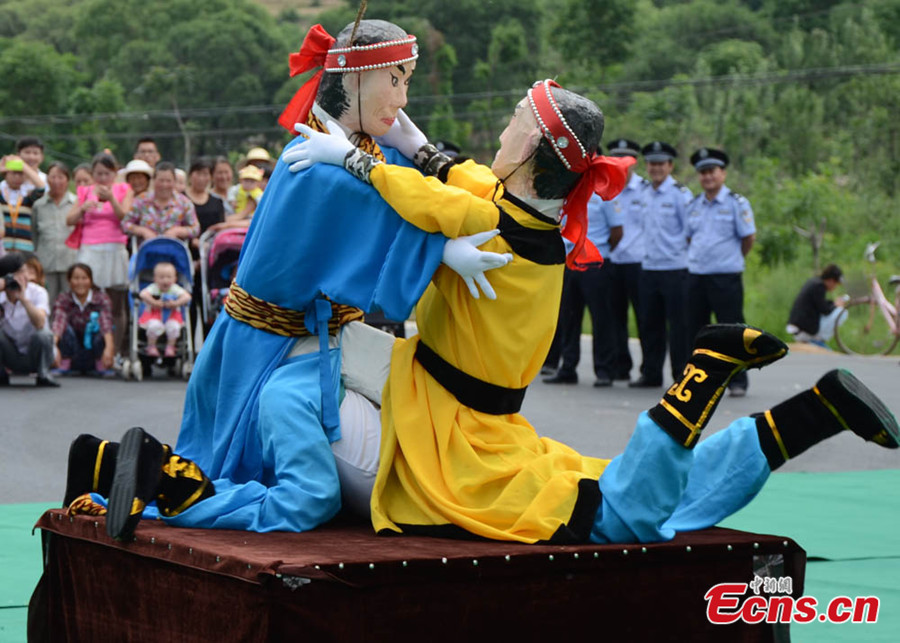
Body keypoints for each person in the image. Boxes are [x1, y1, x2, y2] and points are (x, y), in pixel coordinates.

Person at [289, 85, 900, 546]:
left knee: (618, 516)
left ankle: (695, 385)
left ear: (529, 147)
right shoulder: (528, 219)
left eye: (511, 125)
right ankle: (807, 416)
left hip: (455, 436)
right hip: (472, 417)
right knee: (672, 502)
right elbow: (467, 182)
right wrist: (415, 147)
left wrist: (353, 160)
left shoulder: (495, 233)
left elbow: (437, 202)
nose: (501, 134)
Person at [64, 19, 509, 540]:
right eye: (396, 78)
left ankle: (124, 467)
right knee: (283, 489)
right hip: (271, 349)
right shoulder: (313, 159)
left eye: (407, 80)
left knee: (265, 469)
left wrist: (420, 152)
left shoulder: (361, 148)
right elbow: (370, 211)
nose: (403, 97)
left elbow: (410, 196)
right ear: (357, 78)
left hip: (312, 344)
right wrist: (437, 249)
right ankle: (159, 481)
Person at [686, 147, 756, 397]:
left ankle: (737, 382)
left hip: (726, 278)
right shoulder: (693, 204)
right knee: (697, 332)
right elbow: (689, 238)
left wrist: (731, 260)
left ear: (723, 173)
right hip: (696, 276)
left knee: (732, 332)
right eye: (702, 172)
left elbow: (748, 239)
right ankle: (699, 383)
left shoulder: (737, 203)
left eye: (712, 171)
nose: (707, 177)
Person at [543, 172, 623, 387]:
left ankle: (604, 370)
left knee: (601, 319)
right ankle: (568, 367)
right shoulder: (568, 193)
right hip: (570, 263)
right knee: (569, 318)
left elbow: (616, 232)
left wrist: (598, 251)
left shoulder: (604, 195)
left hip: (595, 265)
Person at [629, 141, 692, 388]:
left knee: (679, 326)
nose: (655, 169)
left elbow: (690, 231)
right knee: (649, 324)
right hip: (648, 269)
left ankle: (681, 376)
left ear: (670, 166)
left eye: (660, 164)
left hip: (675, 269)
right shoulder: (643, 192)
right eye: (652, 164)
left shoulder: (680, 194)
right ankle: (651, 373)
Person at [66, 153, 132, 359]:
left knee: (116, 303)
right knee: (86, 299)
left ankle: (117, 351)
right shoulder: (85, 191)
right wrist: (82, 209)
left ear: (114, 173)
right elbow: (69, 220)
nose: (102, 178)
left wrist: (111, 197)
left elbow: (126, 218)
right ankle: (87, 351)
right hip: (90, 249)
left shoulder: (124, 189)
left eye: (107, 173)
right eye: (98, 174)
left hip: (115, 247)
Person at [603, 139, 647, 383]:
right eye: (616, 158)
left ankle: (647, 369)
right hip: (613, 261)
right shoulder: (606, 188)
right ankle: (621, 366)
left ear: (634, 162)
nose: (621, 163)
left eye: (626, 159)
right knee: (615, 318)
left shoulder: (646, 189)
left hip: (638, 263)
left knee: (644, 319)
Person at [0, 252, 58, 386]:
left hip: (37, 353)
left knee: (43, 334)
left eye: (24, 271)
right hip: (12, 355)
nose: (23, 277)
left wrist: (24, 299)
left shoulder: (38, 292)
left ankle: (43, 373)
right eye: (18, 273)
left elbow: (40, 323)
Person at [50, 263, 115, 375]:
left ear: (90, 280)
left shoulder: (101, 298)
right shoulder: (63, 299)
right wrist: (53, 348)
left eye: (84, 278)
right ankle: (64, 362)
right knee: (65, 329)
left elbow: (106, 323)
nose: (80, 282)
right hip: (72, 349)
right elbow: (59, 322)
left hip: (93, 350)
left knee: (101, 328)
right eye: (76, 278)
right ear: (69, 281)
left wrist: (109, 348)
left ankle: (101, 362)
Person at [32, 162, 78, 303]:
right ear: (47, 179)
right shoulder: (38, 206)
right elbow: (34, 235)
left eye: (61, 177)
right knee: (47, 301)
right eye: (52, 177)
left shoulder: (76, 203)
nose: (56, 181)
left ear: (68, 180)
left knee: (70, 301)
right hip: (46, 262)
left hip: (71, 262)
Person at [123, 162, 199, 243]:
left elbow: (195, 229)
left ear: (174, 181)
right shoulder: (141, 201)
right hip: (146, 251)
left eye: (168, 181)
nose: (164, 185)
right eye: (161, 181)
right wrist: (143, 231)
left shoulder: (184, 203)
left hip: (174, 251)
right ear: (154, 180)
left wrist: (178, 231)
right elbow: (125, 224)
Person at [138, 261, 191, 358]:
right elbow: (143, 294)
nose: (165, 280)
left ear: (175, 279)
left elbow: (187, 297)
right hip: (155, 316)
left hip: (172, 317)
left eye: (169, 277)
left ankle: (170, 346)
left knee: (174, 327)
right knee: (153, 326)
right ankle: (151, 346)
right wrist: (154, 302)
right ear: (155, 279)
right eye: (161, 277)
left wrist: (176, 303)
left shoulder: (175, 289)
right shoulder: (154, 288)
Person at [787, 263, 846, 345]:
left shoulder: (814, 282)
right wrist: (836, 305)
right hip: (804, 330)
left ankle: (816, 339)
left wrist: (833, 303)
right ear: (831, 280)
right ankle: (818, 340)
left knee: (837, 309)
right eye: (836, 284)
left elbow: (820, 304)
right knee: (842, 311)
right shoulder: (819, 286)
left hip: (799, 327)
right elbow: (825, 310)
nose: (835, 287)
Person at [1, 158, 46, 254]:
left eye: (21, 174)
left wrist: (25, 167)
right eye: (13, 173)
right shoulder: (1, 195)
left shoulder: (28, 197)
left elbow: (42, 187)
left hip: (25, 248)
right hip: (3, 248)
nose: (17, 177)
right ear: (6, 174)